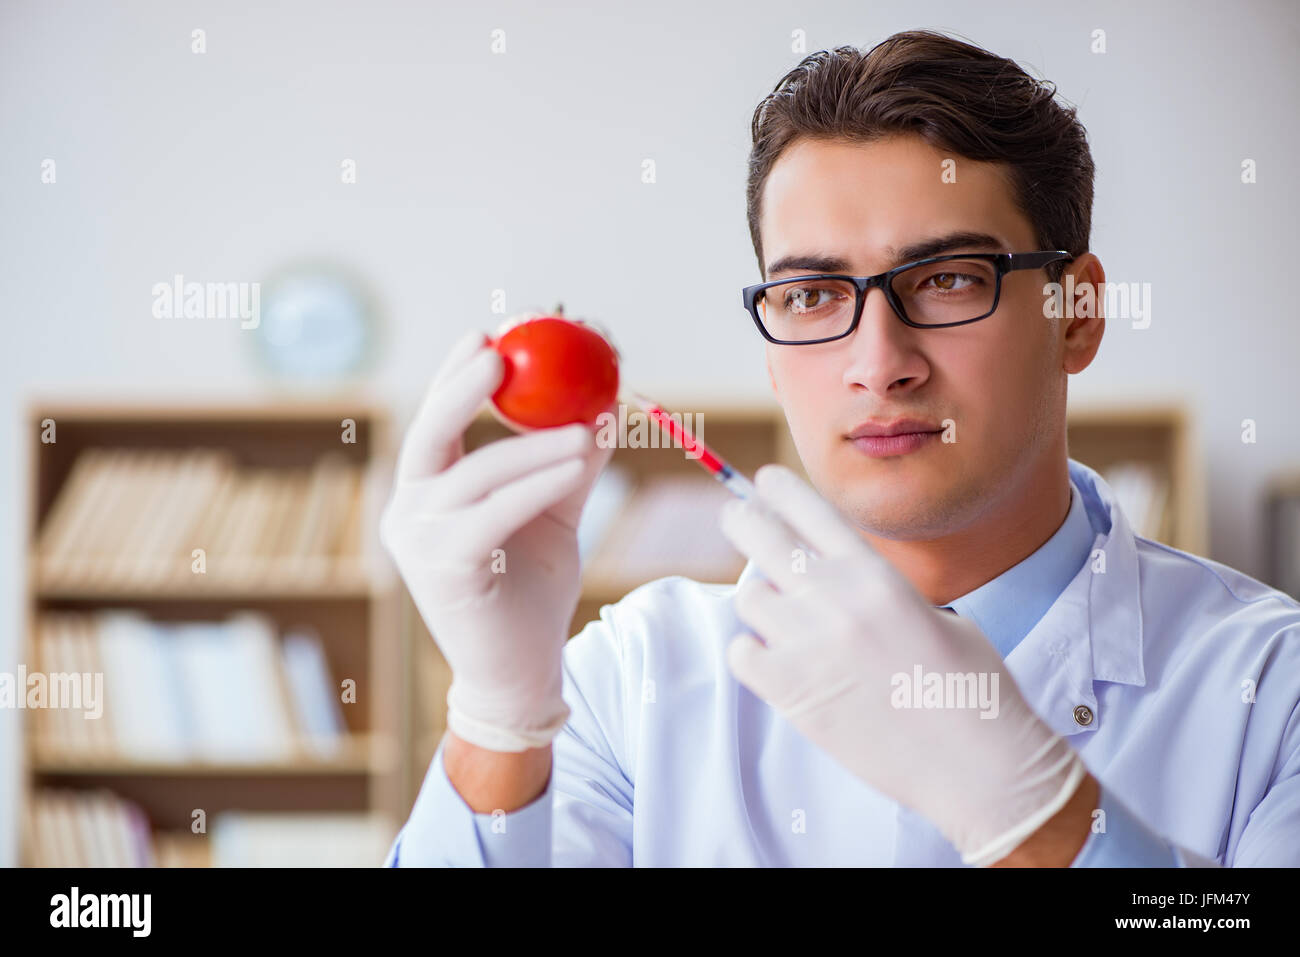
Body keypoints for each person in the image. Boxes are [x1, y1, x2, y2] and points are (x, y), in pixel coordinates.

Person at [380, 30, 1300, 867]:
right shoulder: (633, 681)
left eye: (946, 279)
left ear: (1077, 314)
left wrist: (1042, 818)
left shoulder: (1272, 688)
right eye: (814, 295)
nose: (878, 364)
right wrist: (498, 723)